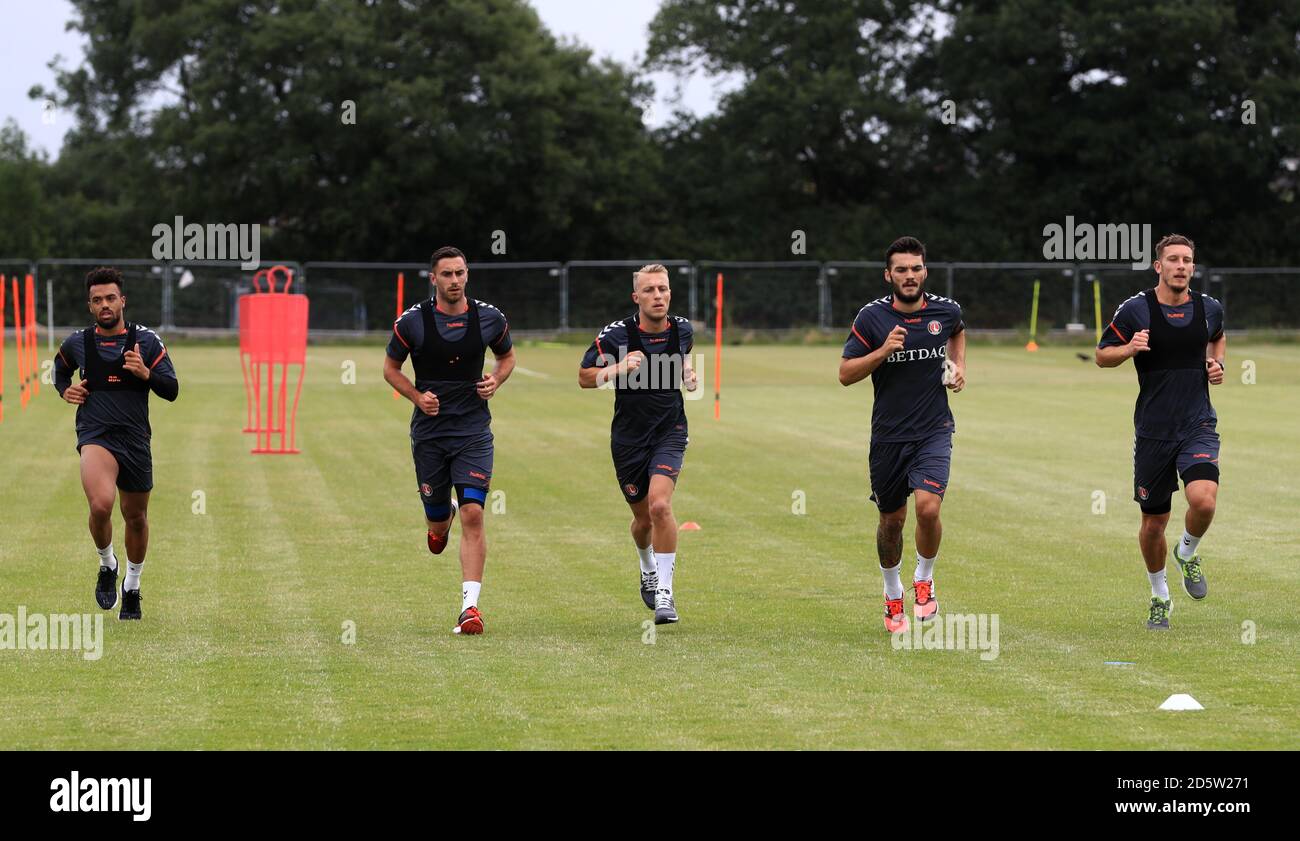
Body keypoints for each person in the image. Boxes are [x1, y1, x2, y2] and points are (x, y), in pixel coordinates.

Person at [384, 246, 515, 635]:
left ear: (467, 275)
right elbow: (390, 368)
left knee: (474, 513)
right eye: (447, 274)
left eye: (460, 273)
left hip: (473, 430)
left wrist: (496, 379)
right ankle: (441, 519)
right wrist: (416, 396)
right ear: (433, 278)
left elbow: (507, 358)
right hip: (430, 434)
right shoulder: (413, 323)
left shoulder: (490, 318)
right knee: (438, 523)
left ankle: (470, 609)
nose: (454, 281)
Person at [1096, 234, 1224, 631]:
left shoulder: (1209, 308)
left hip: (1198, 423)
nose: (1182, 266)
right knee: (1154, 523)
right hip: (1153, 431)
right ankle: (1159, 596)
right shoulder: (1137, 309)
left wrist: (1215, 364)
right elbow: (1102, 355)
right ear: (1159, 266)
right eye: (1174, 259)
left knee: (1203, 501)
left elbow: (1217, 338)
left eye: (1188, 260)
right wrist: (1130, 349)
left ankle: (1187, 552)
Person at [839, 237, 966, 633]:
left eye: (915, 269)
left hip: (934, 430)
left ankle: (924, 580)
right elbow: (845, 374)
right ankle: (893, 595)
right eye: (901, 270)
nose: (909, 276)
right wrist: (882, 352)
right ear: (888, 275)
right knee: (891, 522)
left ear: (924, 271)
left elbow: (957, 332)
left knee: (928, 508)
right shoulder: (872, 319)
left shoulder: (946, 311)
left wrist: (957, 367)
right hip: (889, 438)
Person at [54, 266, 180, 620]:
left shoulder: (147, 342)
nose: (105, 305)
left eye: (110, 298)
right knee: (101, 505)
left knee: (136, 517)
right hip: (96, 435)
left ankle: (133, 587)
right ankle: (107, 563)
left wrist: (146, 374)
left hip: (136, 439)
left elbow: (171, 390)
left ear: (122, 300)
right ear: (90, 306)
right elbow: (59, 370)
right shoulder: (77, 342)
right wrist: (66, 389)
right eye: (97, 300)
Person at [579, 264, 697, 625]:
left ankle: (665, 592)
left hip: (670, 430)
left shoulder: (682, 329)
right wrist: (617, 368)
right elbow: (584, 377)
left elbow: (683, 359)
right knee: (642, 519)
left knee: (660, 506)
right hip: (629, 439)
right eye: (649, 290)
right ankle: (646, 566)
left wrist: (688, 374)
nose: (657, 296)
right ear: (636, 297)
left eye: (663, 289)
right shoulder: (617, 335)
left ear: (670, 294)